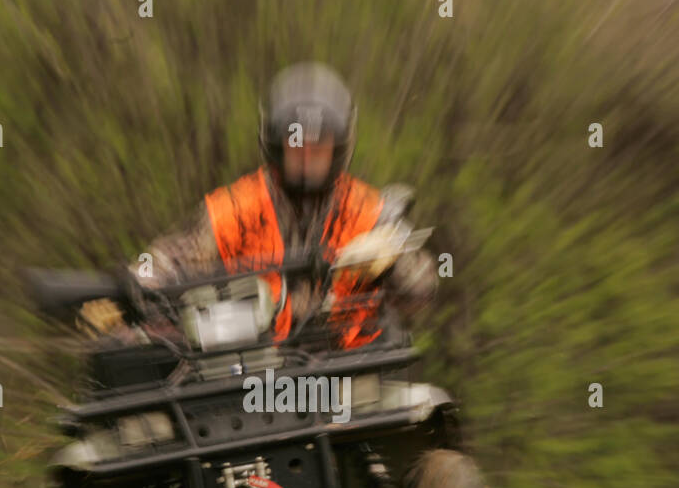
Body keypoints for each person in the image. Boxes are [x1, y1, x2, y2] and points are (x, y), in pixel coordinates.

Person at [85, 62, 437, 347]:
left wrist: (392, 262)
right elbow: (164, 263)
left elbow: (421, 291)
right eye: (296, 146)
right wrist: (125, 291)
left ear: (340, 148)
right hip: (252, 379)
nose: (306, 158)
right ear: (274, 146)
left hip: (353, 376)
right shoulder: (234, 209)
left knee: (423, 408)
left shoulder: (368, 211)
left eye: (318, 149)